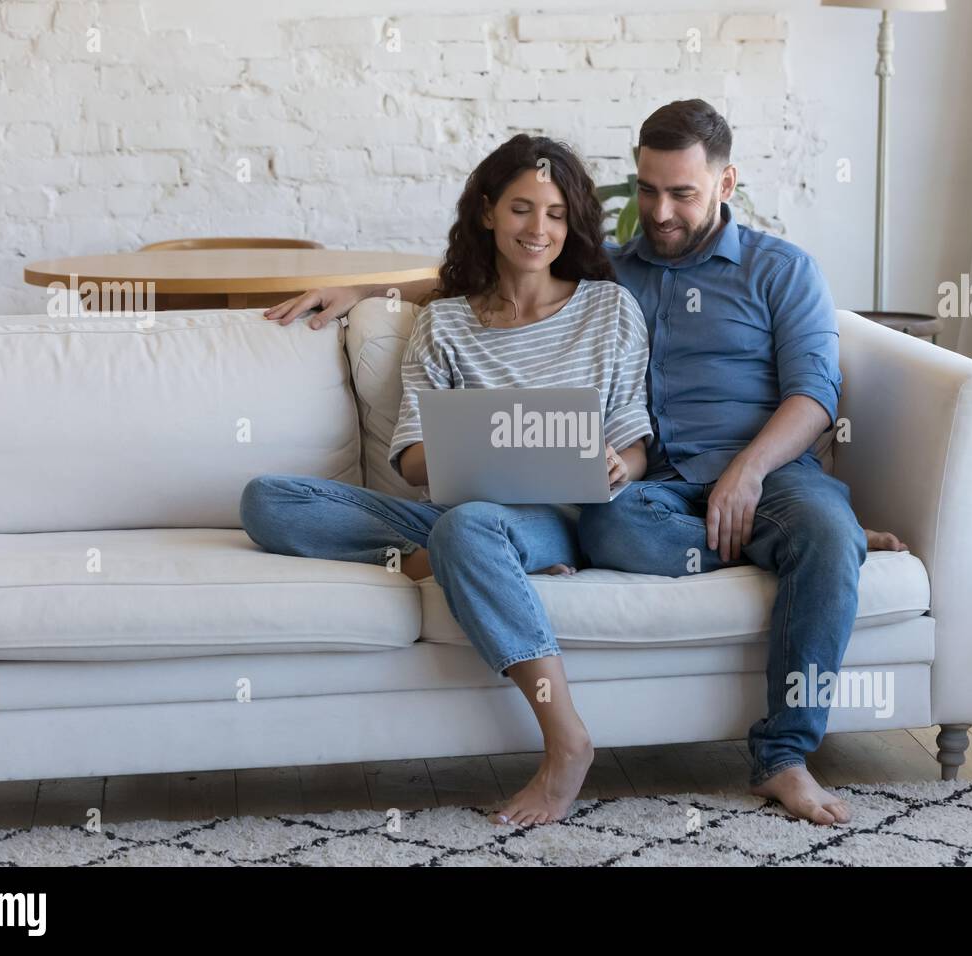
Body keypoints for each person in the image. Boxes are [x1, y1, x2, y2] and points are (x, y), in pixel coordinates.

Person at [262, 102, 907, 827]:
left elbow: (815, 394)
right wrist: (366, 292)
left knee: (814, 529)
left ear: (727, 183)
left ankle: (786, 750)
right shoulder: (615, 273)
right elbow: (495, 271)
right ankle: (441, 550)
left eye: (682, 193)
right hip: (650, 497)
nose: (659, 212)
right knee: (602, 531)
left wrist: (748, 472)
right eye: (648, 190)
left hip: (765, 472)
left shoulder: (777, 270)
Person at [242, 134, 653, 826]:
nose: (539, 229)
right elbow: (409, 458)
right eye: (523, 209)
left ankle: (566, 743)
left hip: (556, 517)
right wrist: (480, 442)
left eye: (555, 214)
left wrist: (619, 463)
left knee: (471, 526)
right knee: (269, 501)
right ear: (488, 211)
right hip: (453, 511)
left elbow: (635, 442)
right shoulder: (445, 322)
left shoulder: (609, 311)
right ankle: (441, 561)